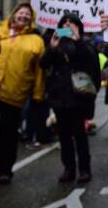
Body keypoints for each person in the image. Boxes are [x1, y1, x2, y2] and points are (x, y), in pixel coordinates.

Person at [0, 2, 46, 184]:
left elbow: (39, 71)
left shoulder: (36, 41)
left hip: (15, 93)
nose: (23, 16)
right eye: (20, 12)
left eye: (27, 14)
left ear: (31, 19)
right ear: (13, 14)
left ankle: (4, 171)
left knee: (8, 135)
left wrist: (37, 95)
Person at [41, 13, 101, 184]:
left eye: (72, 23)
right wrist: (52, 48)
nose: (67, 26)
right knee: (64, 136)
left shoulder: (85, 44)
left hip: (78, 97)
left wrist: (78, 40)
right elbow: (43, 64)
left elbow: (91, 63)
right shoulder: (56, 43)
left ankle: (84, 169)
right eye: (64, 24)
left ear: (78, 27)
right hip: (59, 97)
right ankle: (69, 168)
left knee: (80, 134)